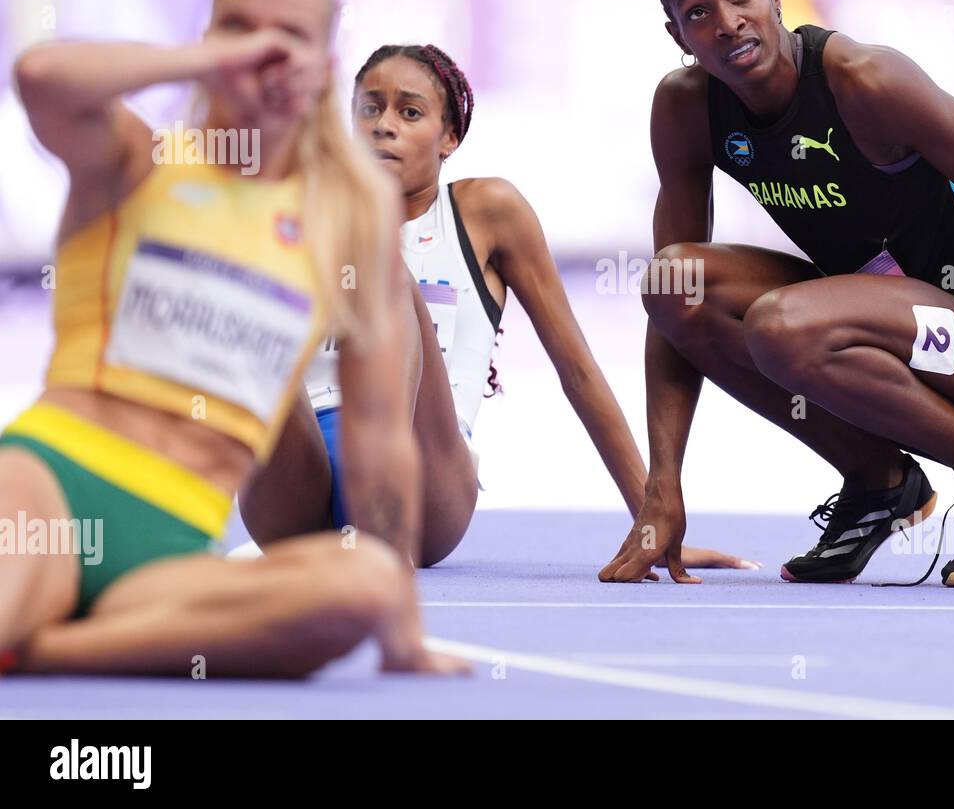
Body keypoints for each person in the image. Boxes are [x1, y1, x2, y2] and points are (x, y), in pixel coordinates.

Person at [0, 0, 468, 677]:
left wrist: (403, 638)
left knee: (364, 582)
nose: (262, 49)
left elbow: (379, 439)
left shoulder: (349, 219)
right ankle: (34, 623)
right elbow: (40, 76)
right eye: (239, 26)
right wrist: (199, 60)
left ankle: (47, 648)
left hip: (178, 547)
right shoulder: (134, 159)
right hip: (52, 488)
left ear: (324, 62)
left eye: (289, 36)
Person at [599, 0, 954, 589]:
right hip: (876, 324)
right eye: (699, 13)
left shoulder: (865, 81)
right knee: (675, 283)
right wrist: (663, 486)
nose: (729, 23)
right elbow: (676, 321)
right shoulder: (686, 108)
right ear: (678, 36)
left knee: (783, 323)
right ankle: (882, 481)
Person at [242, 42, 754, 574]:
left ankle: (377, 532)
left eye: (409, 112)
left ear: (449, 138)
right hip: (300, 473)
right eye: (369, 109)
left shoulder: (488, 212)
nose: (383, 125)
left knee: (388, 277)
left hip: (425, 476)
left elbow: (577, 370)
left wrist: (652, 520)